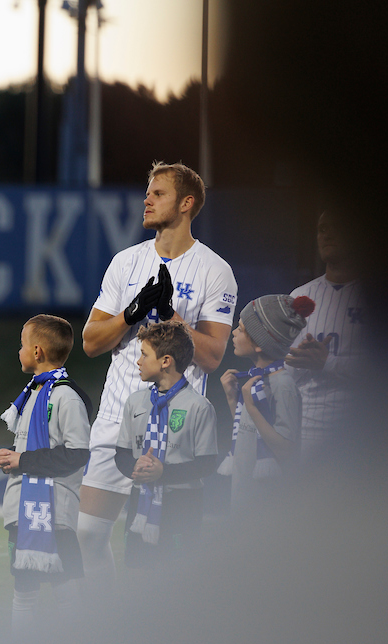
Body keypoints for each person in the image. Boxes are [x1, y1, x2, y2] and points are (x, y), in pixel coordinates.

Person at [79, 162, 236, 587]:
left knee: (164, 552)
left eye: (158, 193)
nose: (146, 200)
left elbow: (213, 356)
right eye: (147, 191)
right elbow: (91, 342)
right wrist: (132, 312)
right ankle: (109, 633)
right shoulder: (126, 262)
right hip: (116, 419)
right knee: (89, 535)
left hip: (176, 428)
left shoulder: (214, 270)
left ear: (187, 204)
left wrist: (170, 314)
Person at [0, 315, 91, 629]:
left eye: (22, 345)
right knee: (24, 590)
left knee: (64, 589)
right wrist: (14, 458)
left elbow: (76, 454)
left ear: (37, 352)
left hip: (55, 512)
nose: (18, 351)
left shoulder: (66, 396)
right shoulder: (33, 393)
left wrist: (23, 462)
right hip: (21, 511)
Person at [114, 321, 218, 568]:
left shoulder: (198, 406)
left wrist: (163, 473)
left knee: (176, 581)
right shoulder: (135, 402)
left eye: (144, 354)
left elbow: (206, 464)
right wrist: (134, 466)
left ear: (166, 361)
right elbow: (121, 455)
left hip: (182, 506)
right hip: (141, 500)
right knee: (136, 576)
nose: (138, 361)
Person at [218, 296, 311, 508]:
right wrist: (234, 400)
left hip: (266, 507)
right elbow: (249, 433)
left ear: (260, 343)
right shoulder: (257, 380)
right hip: (243, 497)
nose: (234, 332)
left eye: (241, 330)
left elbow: (285, 450)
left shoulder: (283, 385)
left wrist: (251, 407)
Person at [286, 210, 365, 455]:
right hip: (306, 429)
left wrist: (326, 362)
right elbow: (284, 372)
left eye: (336, 227)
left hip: (362, 432)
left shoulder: (383, 299)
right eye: (322, 229)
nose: (327, 234)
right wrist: (300, 360)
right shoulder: (299, 297)